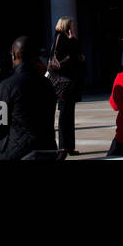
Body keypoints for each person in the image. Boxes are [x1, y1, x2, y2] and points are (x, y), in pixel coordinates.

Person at [0, 36, 59, 160]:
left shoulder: (6, 86)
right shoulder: (47, 84)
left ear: (14, 55)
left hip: (19, 151)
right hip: (48, 147)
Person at [50, 16, 84, 155]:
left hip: (67, 81)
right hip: (64, 81)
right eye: (71, 24)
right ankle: (65, 147)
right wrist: (74, 42)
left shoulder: (64, 38)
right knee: (66, 115)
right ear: (66, 26)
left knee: (68, 114)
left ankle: (68, 147)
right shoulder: (62, 38)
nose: (73, 27)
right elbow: (69, 55)